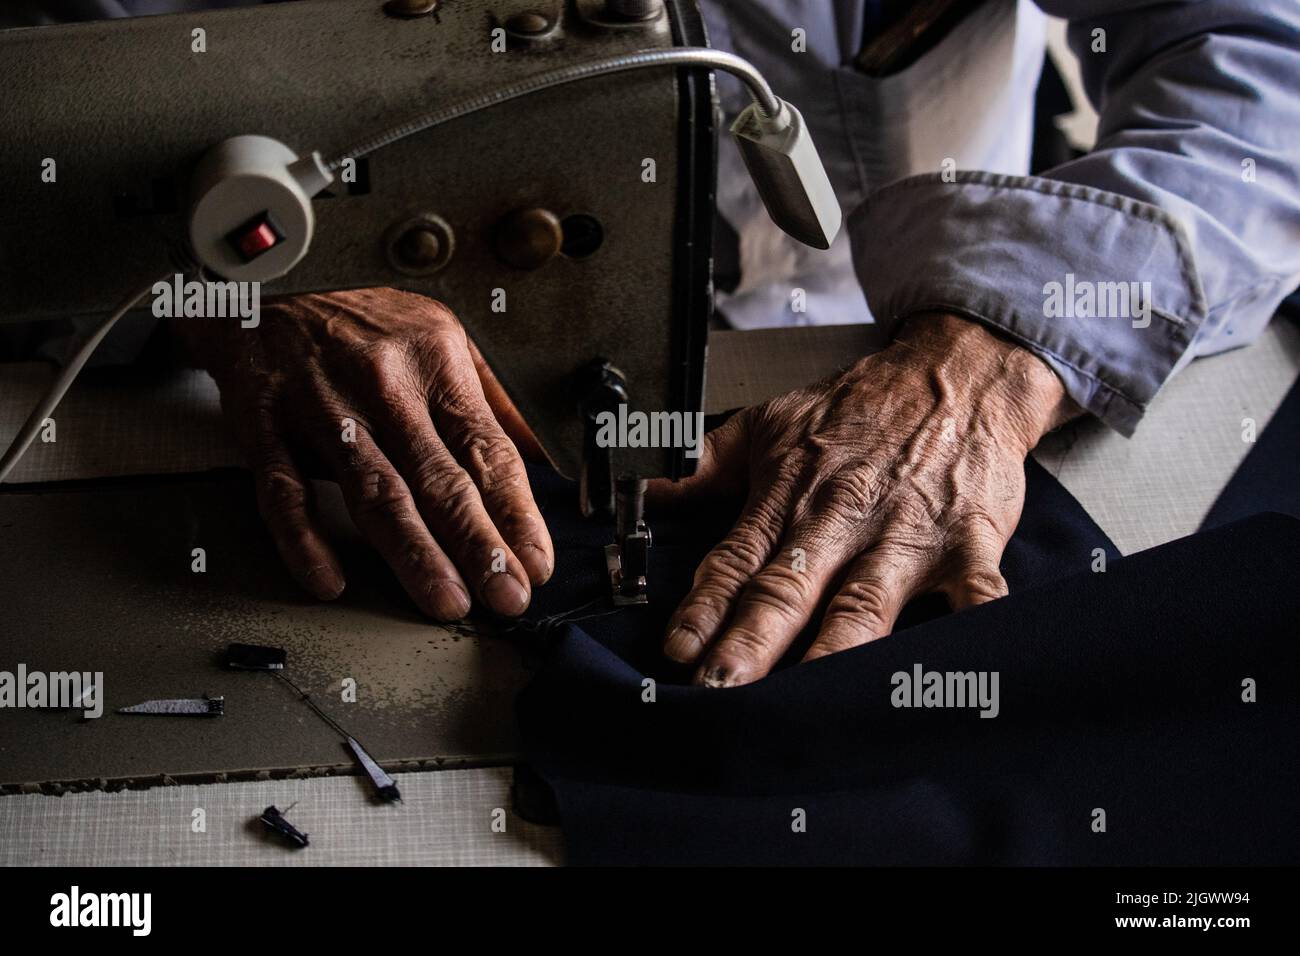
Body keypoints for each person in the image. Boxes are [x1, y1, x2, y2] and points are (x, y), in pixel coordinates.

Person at [5, 1, 1299, 688]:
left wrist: (993, 351)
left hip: (915, 329)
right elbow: (72, 101)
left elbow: (1256, 50)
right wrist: (241, 291)